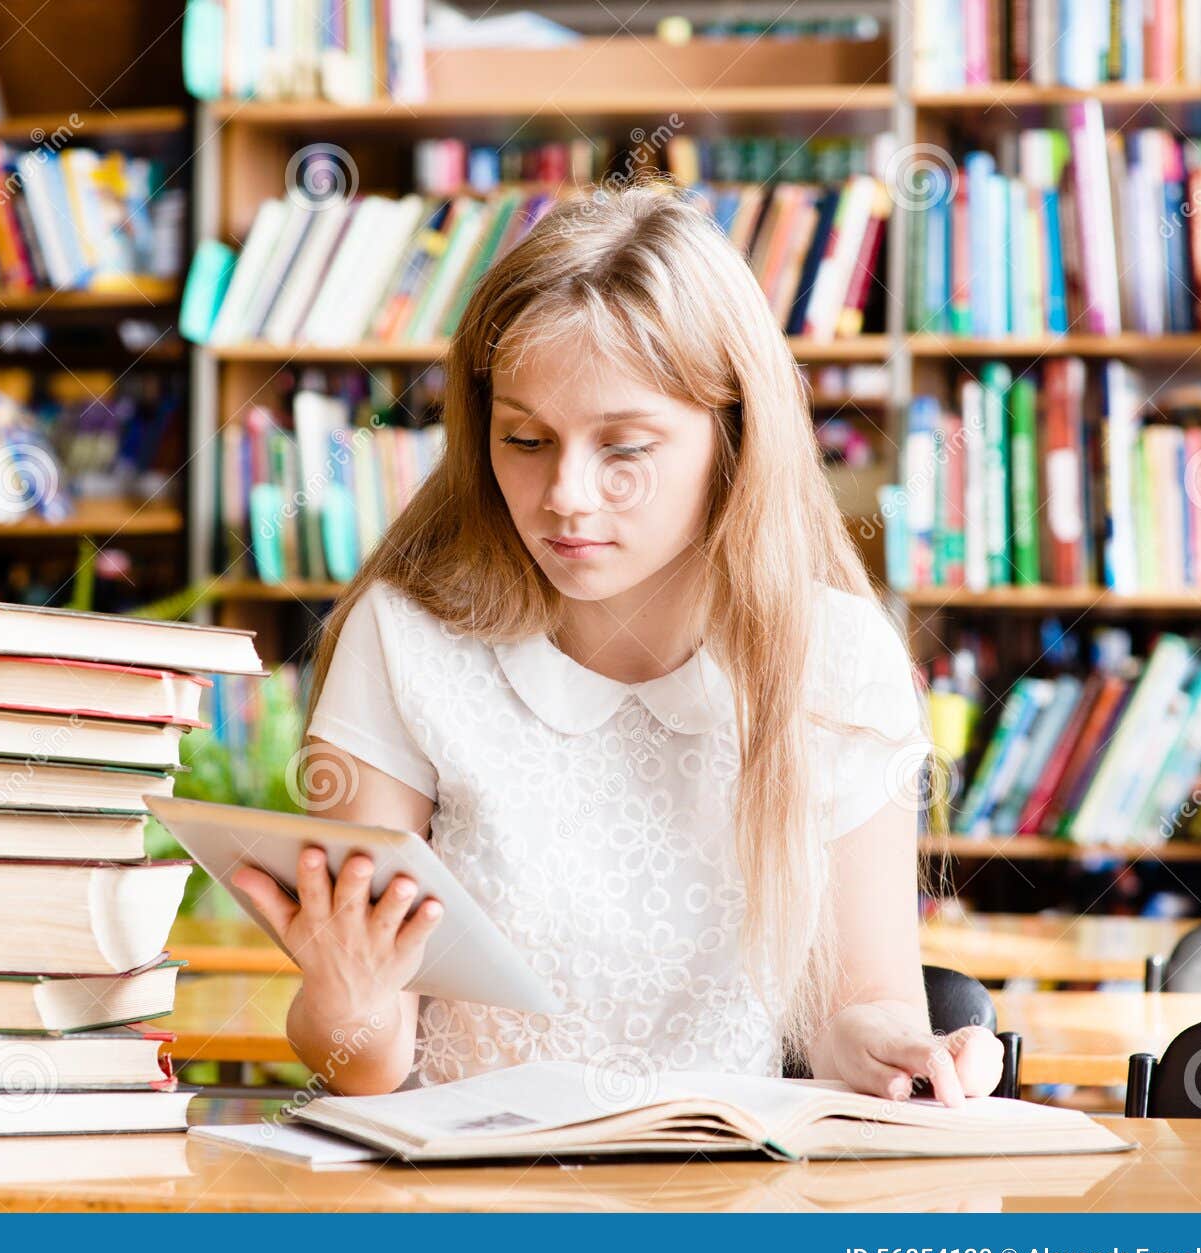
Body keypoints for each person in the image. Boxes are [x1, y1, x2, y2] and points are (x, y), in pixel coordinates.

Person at [232, 184, 1002, 1104]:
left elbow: (858, 1009)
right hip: (460, 1203)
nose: (566, 494)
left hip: (719, 1201)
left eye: (625, 448)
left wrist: (892, 1046)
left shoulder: (833, 657)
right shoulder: (405, 641)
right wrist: (344, 997)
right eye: (524, 437)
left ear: (733, 439)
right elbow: (361, 1062)